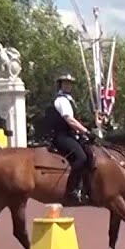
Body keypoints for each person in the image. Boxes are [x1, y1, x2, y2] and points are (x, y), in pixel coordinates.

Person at [42, 71, 93, 203]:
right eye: (65, 83)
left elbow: (76, 120)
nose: (68, 86)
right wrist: (85, 131)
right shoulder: (61, 101)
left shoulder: (70, 100)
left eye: (70, 84)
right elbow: (70, 120)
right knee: (81, 157)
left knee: (91, 153)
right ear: (60, 85)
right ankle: (71, 190)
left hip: (71, 135)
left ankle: (87, 187)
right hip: (61, 136)